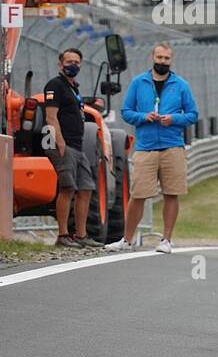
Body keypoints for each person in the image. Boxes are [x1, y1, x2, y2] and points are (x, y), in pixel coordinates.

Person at [106, 42, 198, 253]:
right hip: (145, 147)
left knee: (171, 193)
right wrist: (143, 117)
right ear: (153, 57)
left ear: (171, 60)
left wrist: (173, 119)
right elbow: (126, 111)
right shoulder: (139, 82)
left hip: (172, 146)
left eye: (166, 58)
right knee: (138, 194)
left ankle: (166, 239)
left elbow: (192, 114)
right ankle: (127, 239)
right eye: (159, 58)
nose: (162, 61)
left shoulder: (181, 85)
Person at [42, 48, 95, 248]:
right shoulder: (55, 85)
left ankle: (81, 235)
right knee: (67, 188)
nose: (73, 65)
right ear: (60, 64)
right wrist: (60, 141)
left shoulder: (73, 88)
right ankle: (63, 235)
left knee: (86, 188)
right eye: (69, 61)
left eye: (76, 62)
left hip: (77, 145)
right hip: (63, 145)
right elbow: (51, 117)